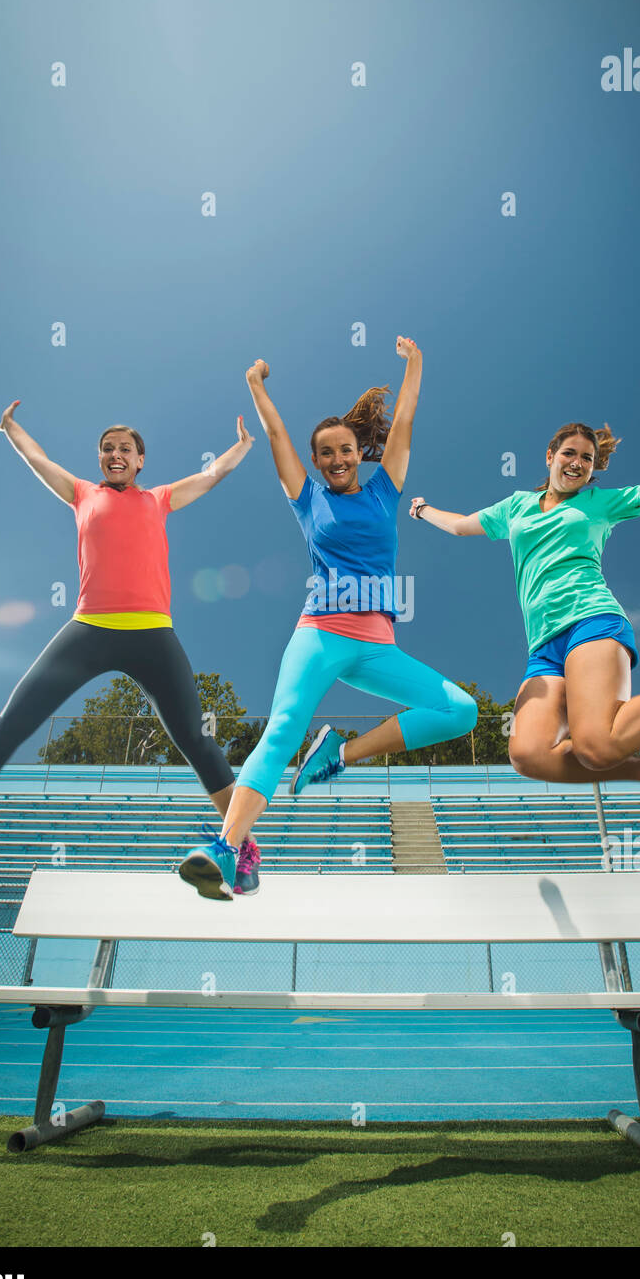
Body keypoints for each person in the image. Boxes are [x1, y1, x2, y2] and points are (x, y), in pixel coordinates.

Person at [0, 401, 256, 883]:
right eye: (107, 448)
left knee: (195, 740)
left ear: (141, 461)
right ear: (100, 459)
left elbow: (212, 474)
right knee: (9, 726)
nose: (115, 453)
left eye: (126, 448)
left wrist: (241, 446)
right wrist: (12, 428)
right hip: (88, 629)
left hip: (151, 632)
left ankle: (241, 848)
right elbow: (40, 460)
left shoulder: (158, 498)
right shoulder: (81, 493)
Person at [178, 338, 478, 900]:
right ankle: (228, 847)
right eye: (326, 454)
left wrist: (415, 364)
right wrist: (256, 386)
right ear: (316, 462)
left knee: (460, 711)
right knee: (284, 723)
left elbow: (406, 418)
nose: (338, 460)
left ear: (359, 453)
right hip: (319, 633)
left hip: (377, 645)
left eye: (346, 450)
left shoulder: (385, 491)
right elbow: (276, 437)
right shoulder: (307, 499)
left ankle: (340, 753)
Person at [407, 422, 640, 839]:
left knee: (595, 747)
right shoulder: (515, 507)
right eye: (570, 453)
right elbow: (461, 526)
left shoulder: (601, 503)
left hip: (591, 620)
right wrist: (424, 510)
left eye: (587, 459)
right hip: (543, 648)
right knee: (528, 755)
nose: (578, 463)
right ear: (550, 457)